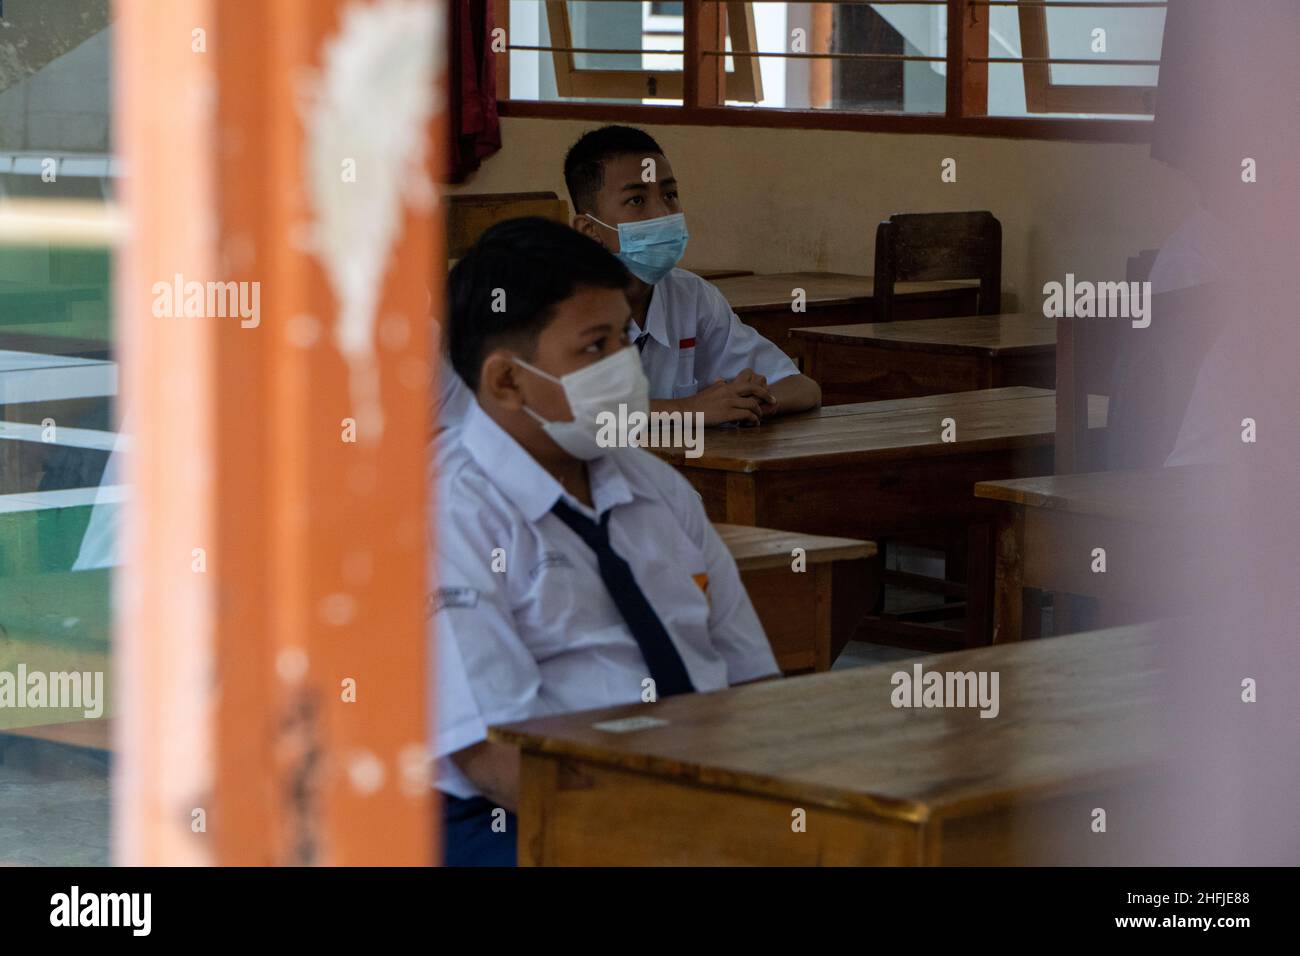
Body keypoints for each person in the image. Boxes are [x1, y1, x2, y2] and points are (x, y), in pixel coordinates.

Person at [432, 217, 780, 866]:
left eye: (625, 337)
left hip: (692, 793)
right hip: (514, 816)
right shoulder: (449, 515)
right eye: (595, 348)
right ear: (507, 381)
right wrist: (669, 837)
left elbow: (752, 678)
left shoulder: (654, 487)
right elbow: (493, 755)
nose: (624, 365)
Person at [563, 125, 821, 425]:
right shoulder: (556, 305)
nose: (663, 213)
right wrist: (691, 410)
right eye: (636, 200)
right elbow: (570, 412)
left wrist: (743, 404)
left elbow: (803, 388)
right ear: (590, 230)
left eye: (670, 195)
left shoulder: (691, 296)